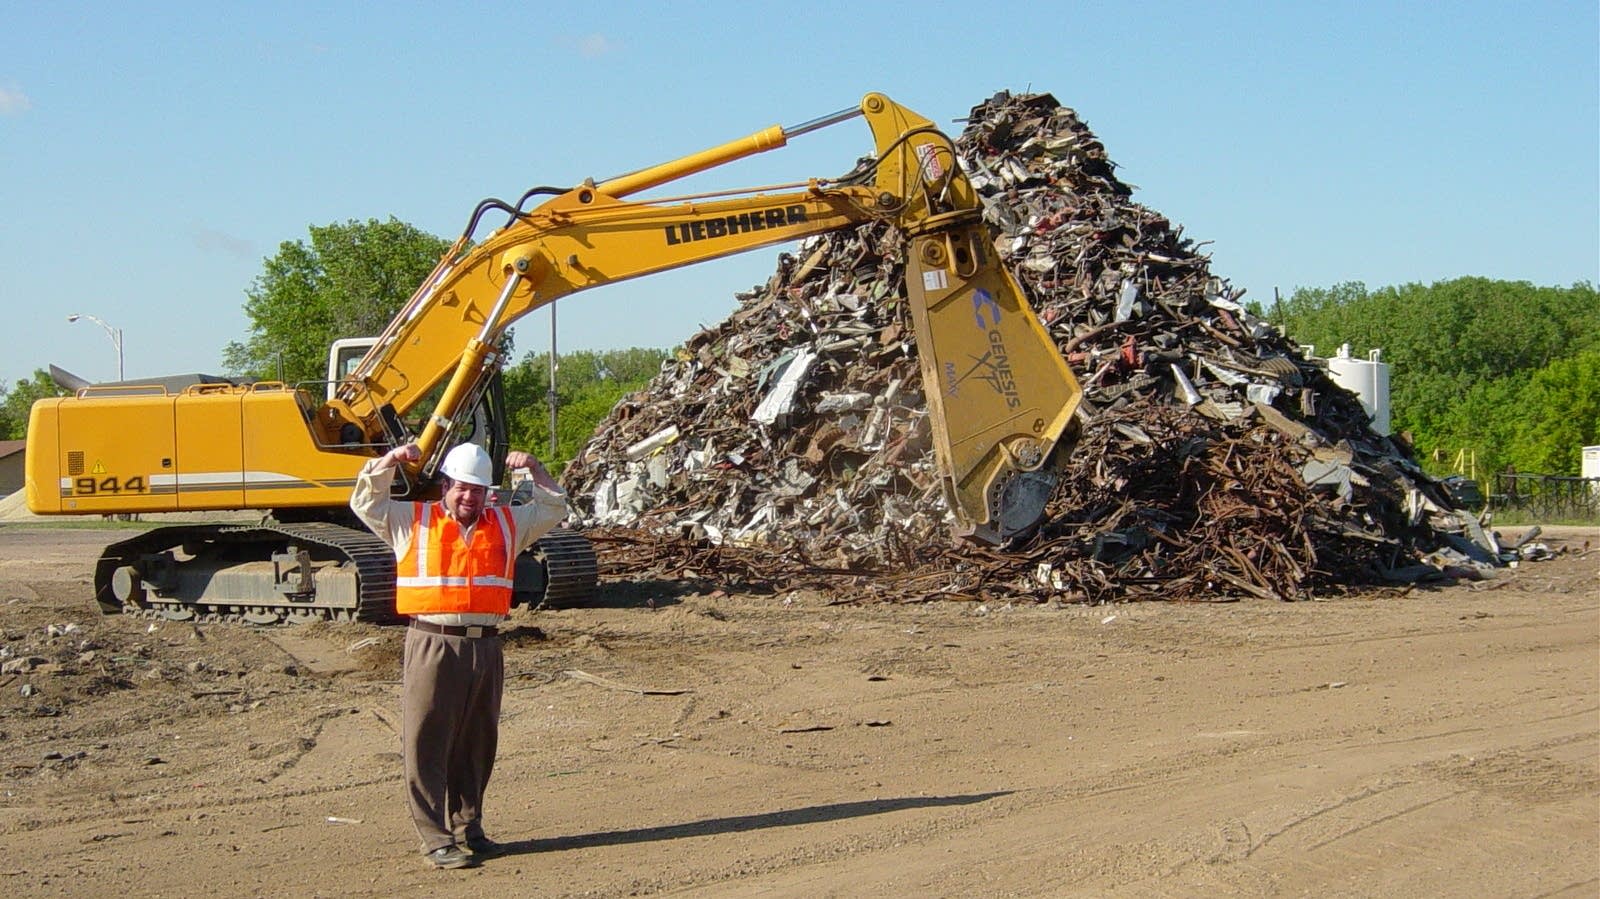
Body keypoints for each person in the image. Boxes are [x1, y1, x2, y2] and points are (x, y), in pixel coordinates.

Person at [350, 440, 568, 870]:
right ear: (446, 486)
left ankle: (470, 827)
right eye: (462, 488)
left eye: (479, 489)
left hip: (486, 643)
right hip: (433, 641)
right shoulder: (410, 520)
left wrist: (536, 468)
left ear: (489, 492)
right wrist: (391, 460)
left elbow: (554, 507)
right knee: (427, 739)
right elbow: (366, 499)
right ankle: (435, 838)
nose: (470, 497)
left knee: (478, 740)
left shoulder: (508, 523)